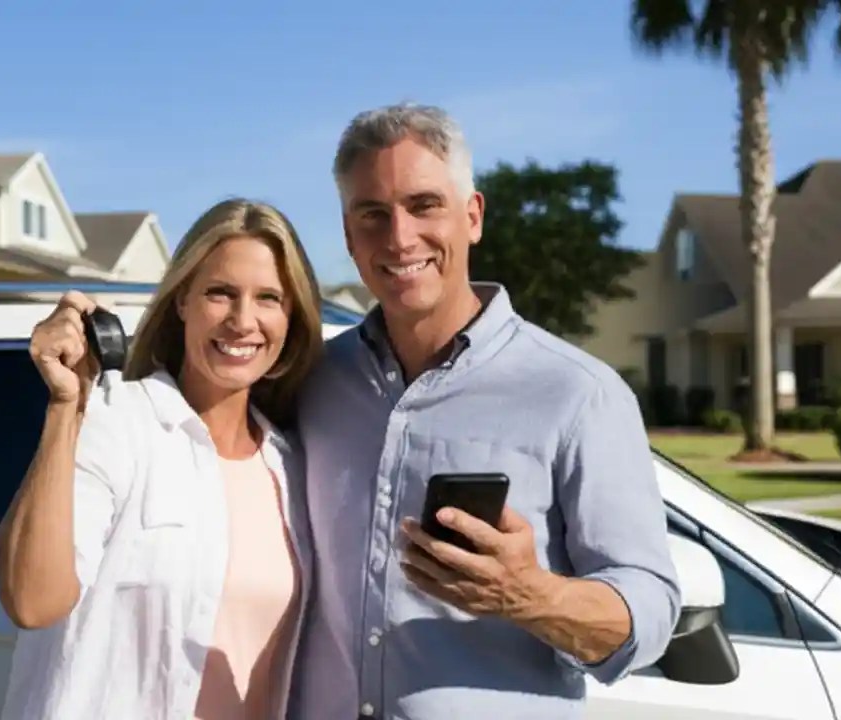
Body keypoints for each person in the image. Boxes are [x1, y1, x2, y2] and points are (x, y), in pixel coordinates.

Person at [288, 103, 682, 719]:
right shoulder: (310, 381)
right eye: (373, 214)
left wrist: (528, 595)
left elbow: (650, 613)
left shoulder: (579, 394)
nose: (399, 237)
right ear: (347, 235)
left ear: (472, 216)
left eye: (424, 205)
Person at [0, 198, 326, 720]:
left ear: (292, 317)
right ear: (182, 302)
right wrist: (65, 406)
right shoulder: (118, 422)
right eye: (220, 292)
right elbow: (34, 601)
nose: (243, 320)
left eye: (268, 298)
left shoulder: (291, 466)